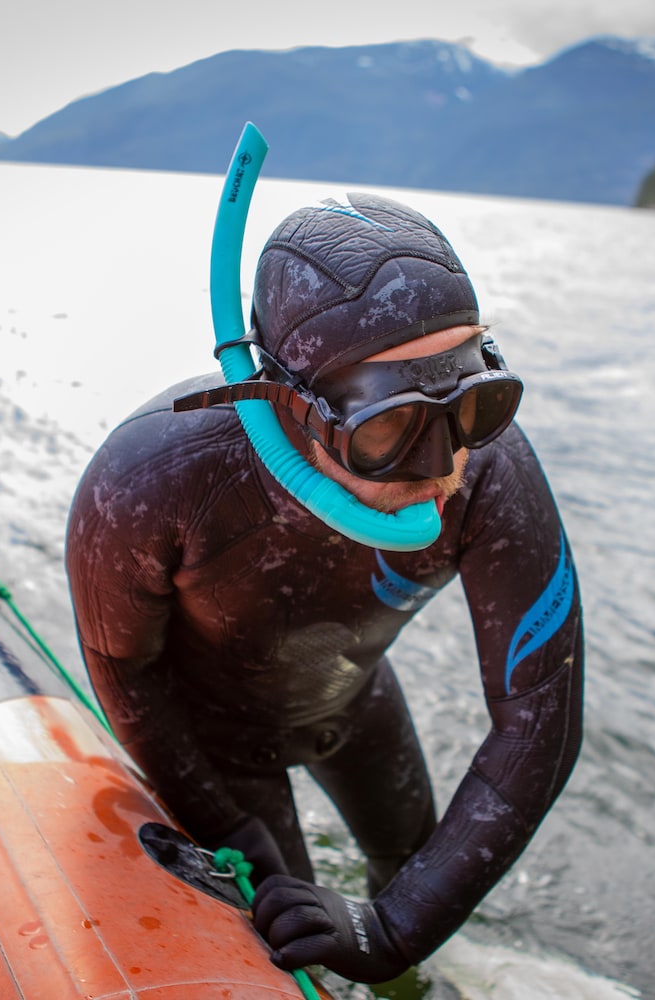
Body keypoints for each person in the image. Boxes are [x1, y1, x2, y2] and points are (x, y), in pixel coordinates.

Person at [65, 192, 583, 984]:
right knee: (287, 950)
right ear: (285, 404)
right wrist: (229, 821)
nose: (443, 468)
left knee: (413, 880)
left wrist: (394, 929)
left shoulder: (491, 468)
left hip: (353, 703)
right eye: (387, 426)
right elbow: (123, 670)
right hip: (213, 749)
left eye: (475, 404)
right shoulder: (154, 481)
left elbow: (541, 717)